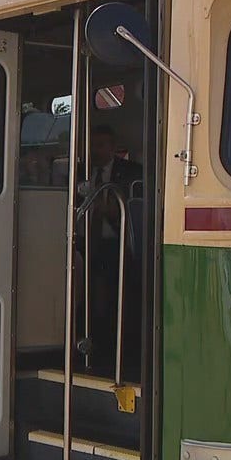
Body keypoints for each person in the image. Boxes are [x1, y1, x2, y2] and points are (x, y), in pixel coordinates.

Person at [83, 126, 141, 374]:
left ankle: (115, 346)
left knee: (116, 296)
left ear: (112, 147)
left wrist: (114, 213)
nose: (96, 151)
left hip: (118, 245)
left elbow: (137, 207)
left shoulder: (131, 172)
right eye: (93, 146)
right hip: (85, 244)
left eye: (102, 145)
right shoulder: (80, 171)